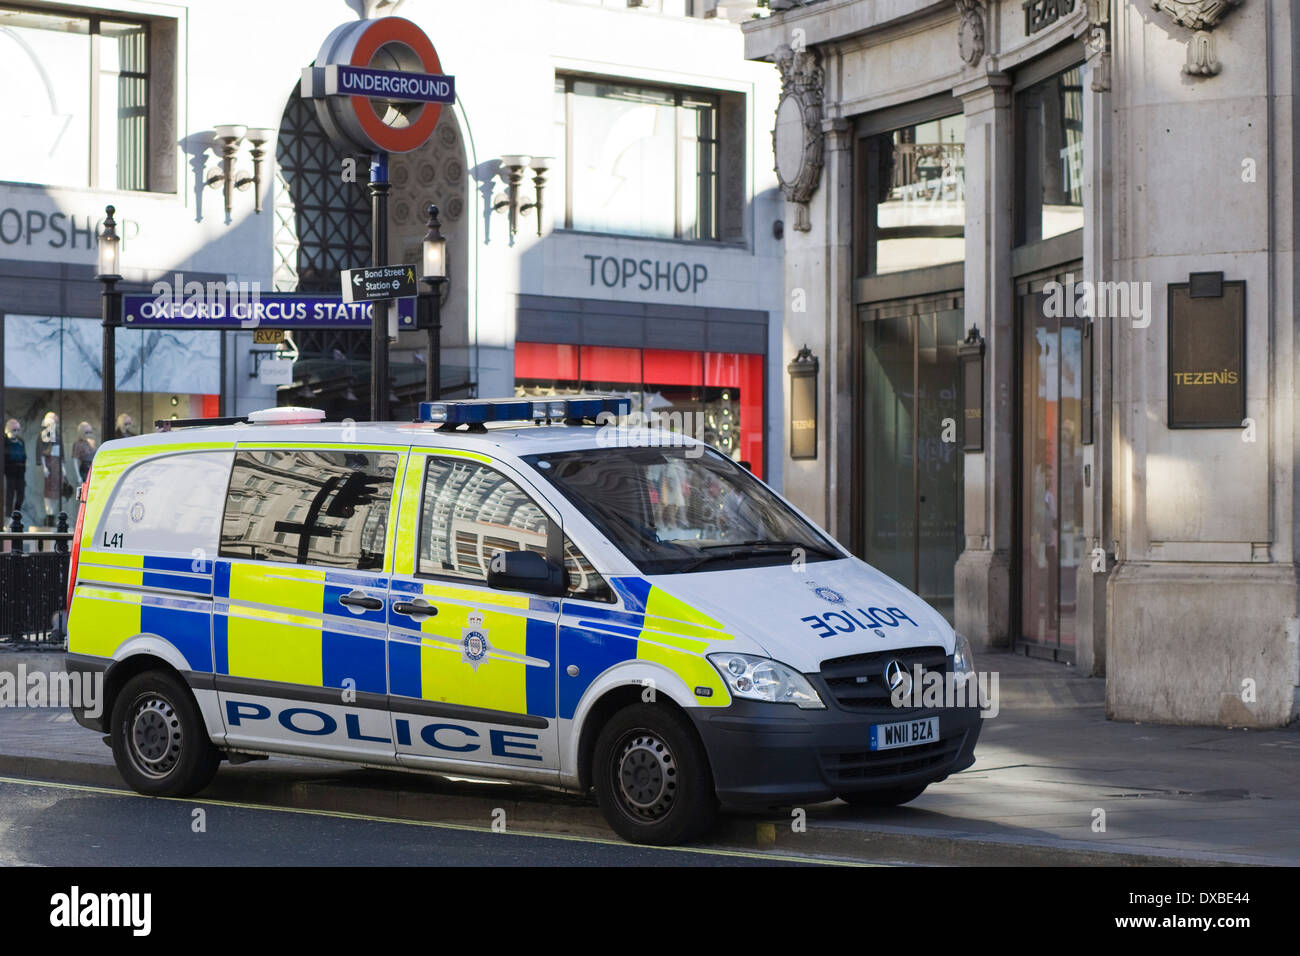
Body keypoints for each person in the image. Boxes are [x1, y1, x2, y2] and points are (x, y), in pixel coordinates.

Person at [37, 411, 61, 526]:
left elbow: (61, 454)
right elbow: (41, 452)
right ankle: (49, 515)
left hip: (57, 465)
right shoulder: (43, 435)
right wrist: (44, 467)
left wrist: (63, 469)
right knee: (48, 491)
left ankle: (53, 514)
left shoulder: (57, 435)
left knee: (56, 491)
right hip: (48, 464)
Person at [4, 418, 25, 518]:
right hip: (9, 471)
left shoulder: (21, 441)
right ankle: (8, 517)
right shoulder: (5, 441)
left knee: (21, 495)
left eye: (17, 430)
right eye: (14, 430)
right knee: (10, 495)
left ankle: (16, 514)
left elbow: (24, 455)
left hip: (20, 470)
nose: (16, 432)